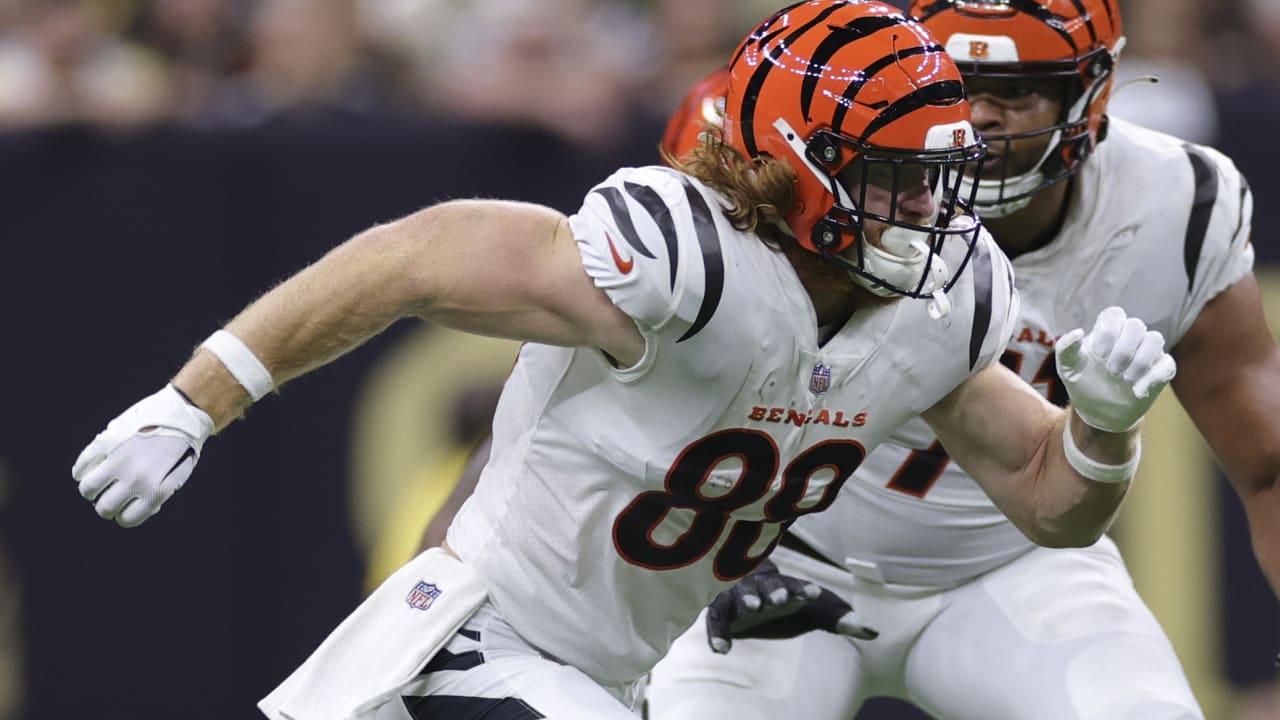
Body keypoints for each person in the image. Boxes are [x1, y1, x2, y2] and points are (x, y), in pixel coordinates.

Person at [70, 2, 1176, 718]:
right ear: (796, 164)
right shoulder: (682, 257)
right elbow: (416, 253)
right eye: (893, 175)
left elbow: (1049, 507)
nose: (931, 209)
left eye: (938, 174)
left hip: (610, 674)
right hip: (472, 642)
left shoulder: (941, 303)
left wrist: (1103, 426)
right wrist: (193, 402)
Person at [647, 1, 1263, 719]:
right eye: (958, 86)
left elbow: (1265, 465)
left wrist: (1103, 431)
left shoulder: (1173, 206)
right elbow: (630, 371)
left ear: (1090, 93)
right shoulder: (805, 173)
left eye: (1020, 89)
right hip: (777, 553)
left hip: (1014, 566)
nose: (983, 118)